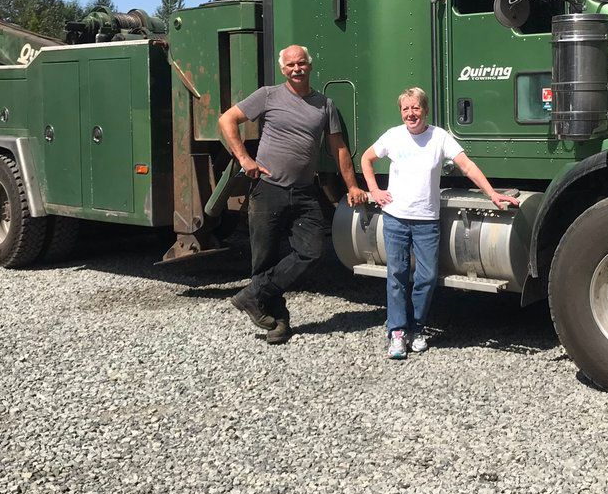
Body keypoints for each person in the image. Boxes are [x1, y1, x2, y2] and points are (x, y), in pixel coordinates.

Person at [218, 44, 365, 344]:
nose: (297, 69)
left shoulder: (324, 105)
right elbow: (226, 120)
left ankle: (252, 295)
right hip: (268, 190)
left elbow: (338, 149)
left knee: (311, 250)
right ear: (283, 70)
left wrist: (351, 186)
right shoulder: (268, 95)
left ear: (310, 66)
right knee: (265, 259)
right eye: (290, 65)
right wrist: (245, 159)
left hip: (303, 191)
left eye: (301, 63)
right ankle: (279, 322)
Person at [361, 87, 519, 359]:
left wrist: (491, 193)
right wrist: (374, 190)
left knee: (427, 276)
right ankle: (397, 332)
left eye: (415, 108)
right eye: (405, 109)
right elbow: (367, 159)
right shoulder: (393, 136)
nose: (411, 114)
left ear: (425, 109)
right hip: (396, 218)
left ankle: (418, 327)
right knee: (396, 276)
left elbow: (466, 166)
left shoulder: (439, 137)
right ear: (401, 112)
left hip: (426, 221)